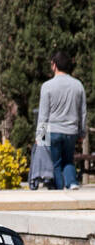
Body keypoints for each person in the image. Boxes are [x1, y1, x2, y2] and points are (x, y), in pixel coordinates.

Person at [37, 50, 88, 191]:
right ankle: (72, 183)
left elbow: (43, 114)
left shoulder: (47, 86)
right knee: (68, 160)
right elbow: (82, 112)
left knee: (56, 163)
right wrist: (82, 133)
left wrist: (40, 136)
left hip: (53, 130)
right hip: (71, 131)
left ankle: (60, 190)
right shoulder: (78, 85)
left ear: (54, 65)